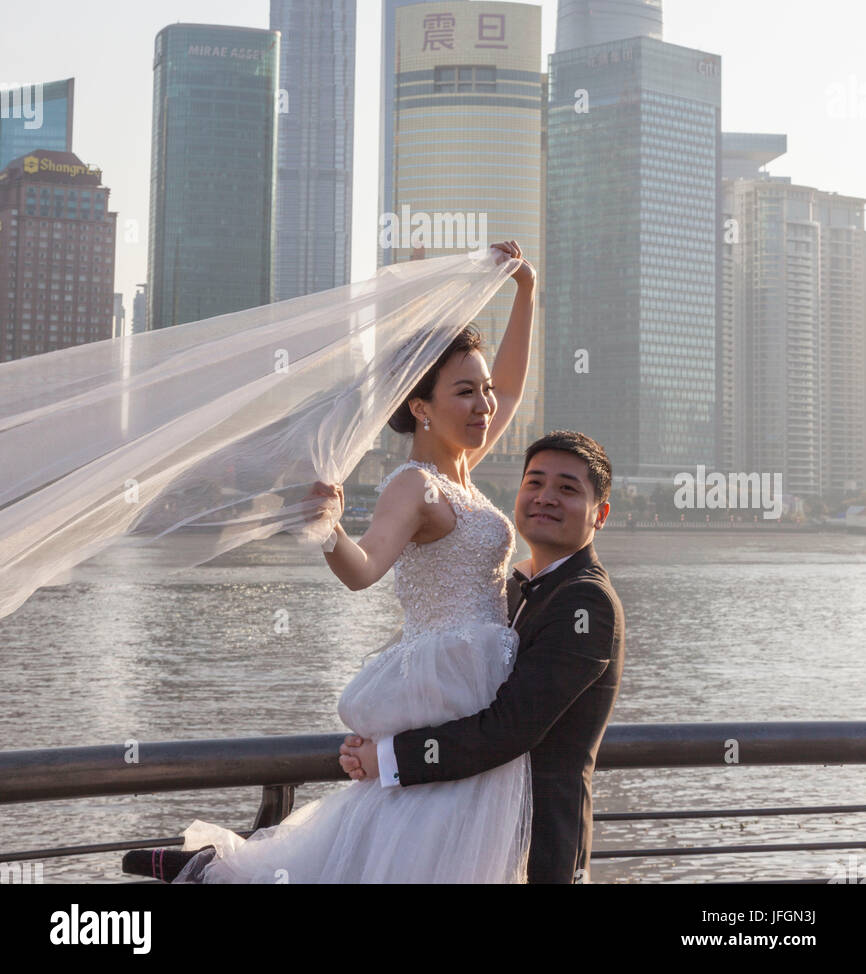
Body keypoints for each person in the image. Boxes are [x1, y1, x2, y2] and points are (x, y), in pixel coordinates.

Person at [122, 241, 537, 884]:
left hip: (478, 686)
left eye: (483, 391)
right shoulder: (415, 485)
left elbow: (511, 387)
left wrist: (525, 295)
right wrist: (327, 529)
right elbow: (365, 568)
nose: (485, 404)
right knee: (426, 840)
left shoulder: (465, 475)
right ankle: (222, 872)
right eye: (465, 392)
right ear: (421, 405)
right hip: (447, 683)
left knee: (437, 835)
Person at [340, 430, 625, 885]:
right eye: (534, 483)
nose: (545, 498)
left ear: (600, 514)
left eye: (567, 489)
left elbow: (509, 728)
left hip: (538, 848)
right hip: (471, 829)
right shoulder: (516, 588)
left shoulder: (584, 603)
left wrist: (390, 757)